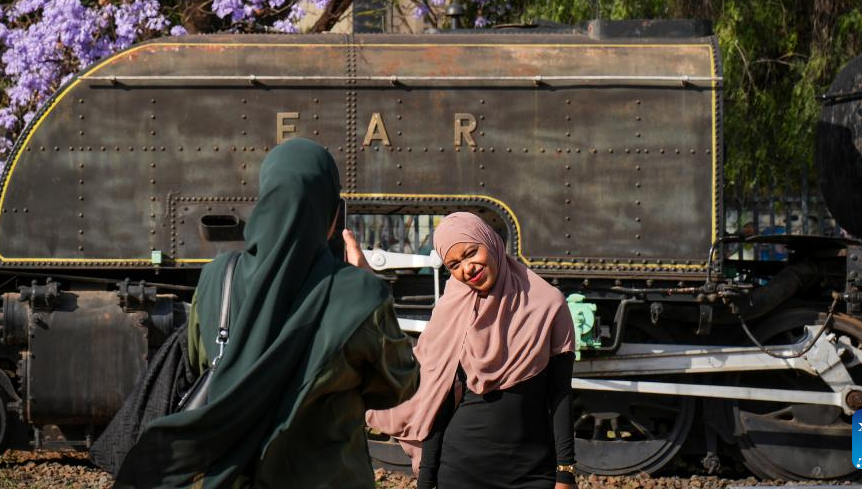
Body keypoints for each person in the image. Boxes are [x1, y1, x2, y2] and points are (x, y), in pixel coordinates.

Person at [114, 138, 419, 489]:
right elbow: (399, 384)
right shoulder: (360, 293)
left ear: (267, 199)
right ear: (332, 215)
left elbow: (202, 364)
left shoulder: (217, 278)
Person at [367, 212, 577, 489]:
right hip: (460, 470)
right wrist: (426, 480)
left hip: (532, 472)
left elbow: (560, 393)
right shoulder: (452, 310)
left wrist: (565, 472)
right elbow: (438, 400)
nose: (467, 268)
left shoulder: (549, 304)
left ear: (490, 242)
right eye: (454, 264)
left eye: (470, 253)